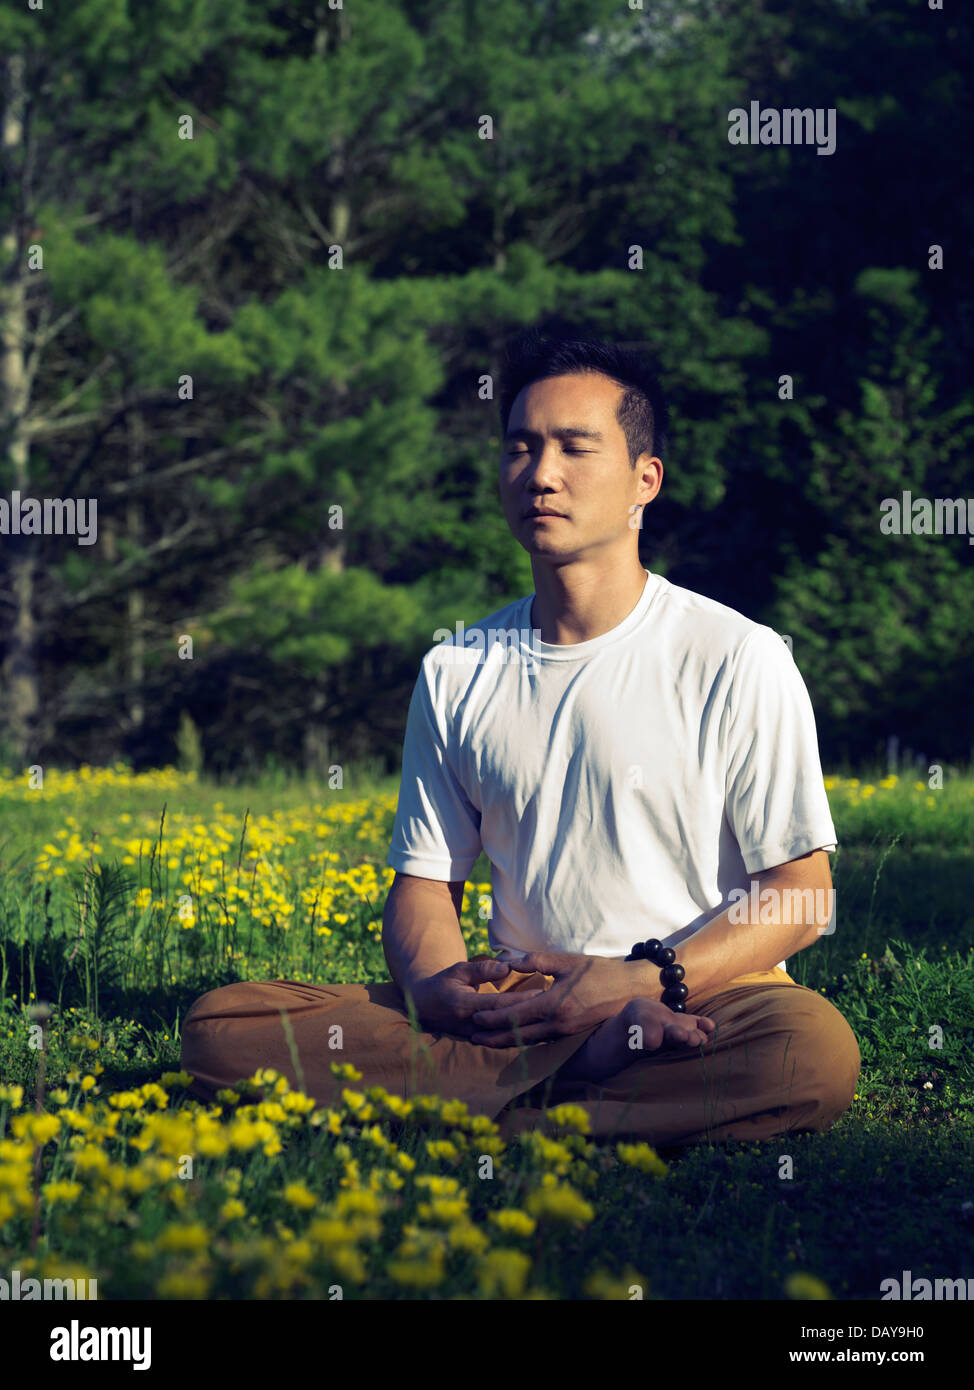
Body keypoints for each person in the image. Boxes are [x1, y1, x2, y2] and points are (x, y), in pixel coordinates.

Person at [181, 327, 861, 1146]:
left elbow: (802, 890)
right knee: (223, 1026)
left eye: (576, 449)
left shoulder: (734, 655)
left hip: (699, 999)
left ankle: (501, 1102)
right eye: (521, 448)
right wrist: (438, 990)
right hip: (516, 1010)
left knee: (810, 1052)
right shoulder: (458, 668)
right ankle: (581, 1085)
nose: (541, 474)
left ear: (646, 480)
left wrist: (642, 981)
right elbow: (426, 884)